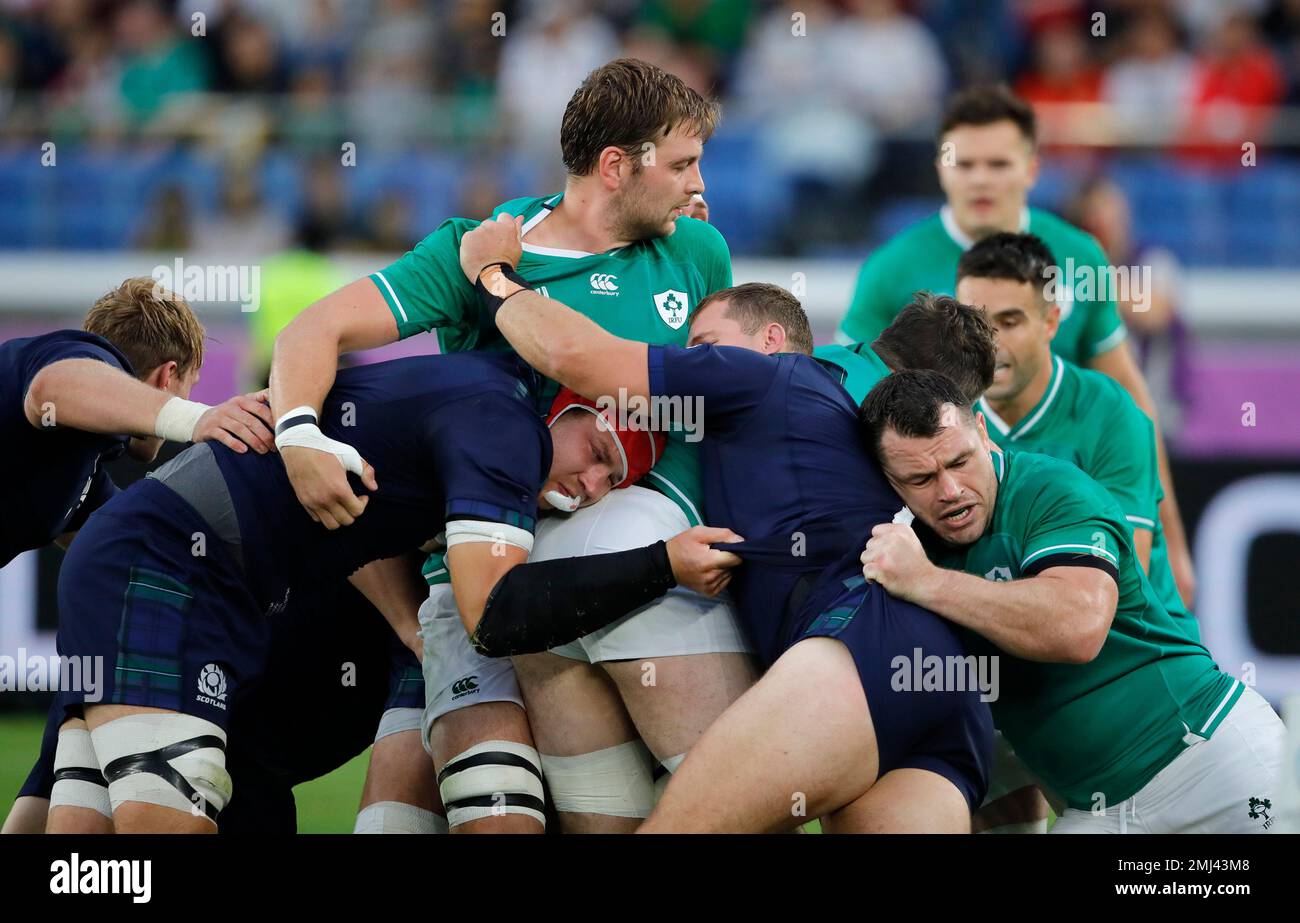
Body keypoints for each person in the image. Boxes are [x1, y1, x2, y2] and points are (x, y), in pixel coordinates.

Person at [269, 58, 756, 833]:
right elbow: (313, 330)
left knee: (677, 805)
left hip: (622, 572)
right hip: (476, 588)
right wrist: (296, 431)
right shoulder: (475, 250)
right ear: (615, 166)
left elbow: (712, 410)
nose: (699, 186)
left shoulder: (697, 254)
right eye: (685, 163)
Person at [48, 349, 735, 834]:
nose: (591, 486)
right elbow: (494, 614)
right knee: (165, 821)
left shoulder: (477, 401)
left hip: (171, 563)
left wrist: (409, 622)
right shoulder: (506, 431)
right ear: (568, 406)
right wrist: (661, 566)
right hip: (172, 562)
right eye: (598, 453)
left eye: (611, 482)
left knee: (81, 824)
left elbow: (357, 523)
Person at [458, 218, 998, 831]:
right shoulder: (924, 453)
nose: (693, 358)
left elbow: (571, 354)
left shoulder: (772, 375)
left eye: (704, 343)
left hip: (856, 650)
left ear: (772, 339)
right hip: (950, 712)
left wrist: (492, 275)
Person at [859, 370, 1284, 833]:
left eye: (959, 461)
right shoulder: (899, 544)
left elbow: (1077, 629)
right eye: (920, 478)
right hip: (1093, 812)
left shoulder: (1051, 489)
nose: (950, 490)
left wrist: (926, 582)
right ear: (889, 482)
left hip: (1209, 762)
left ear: (983, 433)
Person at [835, 83, 1197, 609]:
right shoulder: (891, 270)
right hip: (957, 503)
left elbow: (1130, 399)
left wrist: (1176, 539)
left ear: (1031, 168)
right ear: (941, 167)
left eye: (999, 164)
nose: (981, 178)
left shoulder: (1077, 254)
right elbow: (846, 393)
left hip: (1066, 491)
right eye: (965, 163)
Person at [1, 276, 275, 569]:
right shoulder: (83, 356)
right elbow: (51, 390)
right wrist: (198, 417)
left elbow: (140, 552)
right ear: (166, 376)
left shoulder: (83, 469)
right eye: (188, 387)